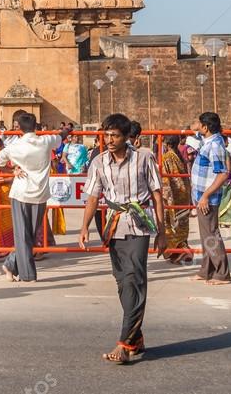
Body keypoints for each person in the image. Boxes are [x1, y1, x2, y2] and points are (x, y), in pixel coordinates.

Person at [79, 113, 166, 364]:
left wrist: (162, 233)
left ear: (127, 137)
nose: (109, 140)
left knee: (134, 280)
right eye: (106, 135)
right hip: (114, 225)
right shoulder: (99, 162)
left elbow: (157, 195)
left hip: (139, 225)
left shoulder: (144, 158)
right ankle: (136, 337)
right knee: (121, 282)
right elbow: (93, 197)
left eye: (114, 135)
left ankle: (125, 344)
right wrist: (84, 227)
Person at [0, 113, 69, 283]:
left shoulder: (15, 146)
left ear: (18, 127)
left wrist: (11, 171)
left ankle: (10, 264)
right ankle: (28, 275)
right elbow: (61, 137)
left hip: (21, 193)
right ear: (36, 126)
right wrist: (67, 130)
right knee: (27, 235)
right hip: (38, 194)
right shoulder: (46, 141)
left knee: (26, 235)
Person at [190, 111, 231, 285]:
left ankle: (222, 273)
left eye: (200, 124)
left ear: (206, 127)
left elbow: (222, 174)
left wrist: (206, 195)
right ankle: (207, 270)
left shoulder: (214, 145)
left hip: (207, 198)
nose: (197, 126)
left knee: (211, 235)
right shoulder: (208, 142)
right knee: (206, 235)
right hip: (201, 197)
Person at [159, 134, 193, 264]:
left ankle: (178, 253)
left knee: (171, 226)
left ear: (167, 144)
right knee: (182, 225)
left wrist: (166, 197)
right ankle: (183, 249)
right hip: (183, 196)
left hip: (173, 197)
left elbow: (166, 180)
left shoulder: (166, 158)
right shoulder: (180, 157)